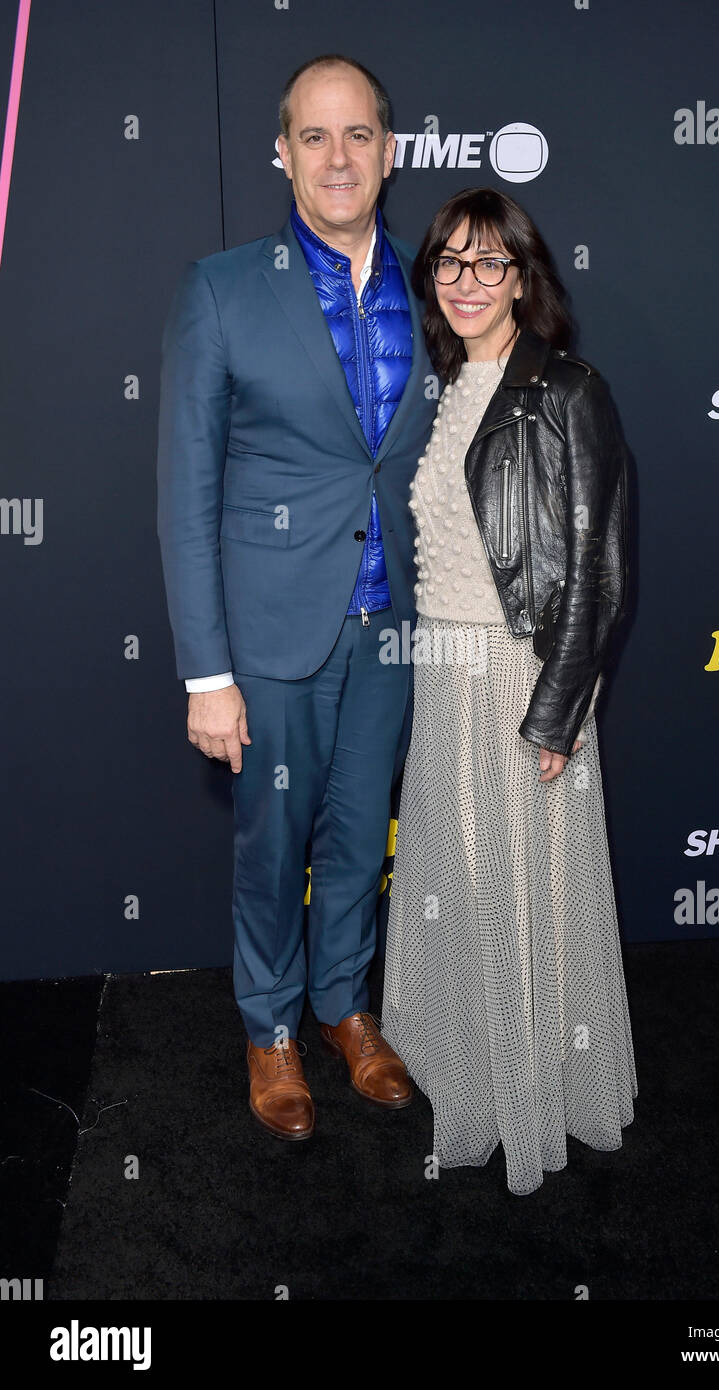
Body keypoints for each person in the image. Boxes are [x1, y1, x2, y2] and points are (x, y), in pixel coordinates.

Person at [157, 55, 437, 1140]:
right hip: (270, 639)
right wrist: (205, 670)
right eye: (312, 137)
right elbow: (186, 490)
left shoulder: (433, 285)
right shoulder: (223, 287)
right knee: (272, 843)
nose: (336, 158)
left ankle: (341, 1009)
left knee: (361, 837)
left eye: (357, 135)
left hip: (390, 628)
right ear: (281, 152)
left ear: (390, 153)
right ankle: (269, 1031)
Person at [381, 187, 638, 1195]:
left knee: (523, 888)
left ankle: (534, 1095)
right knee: (463, 881)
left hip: (521, 675)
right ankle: (473, 1073)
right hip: (444, 674)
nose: (466, 282)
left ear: (524, 278)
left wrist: (555, 711)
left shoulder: (568, 390)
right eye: (448, 262)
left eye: (490, 263)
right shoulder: (445, 386)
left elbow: (598, 571)